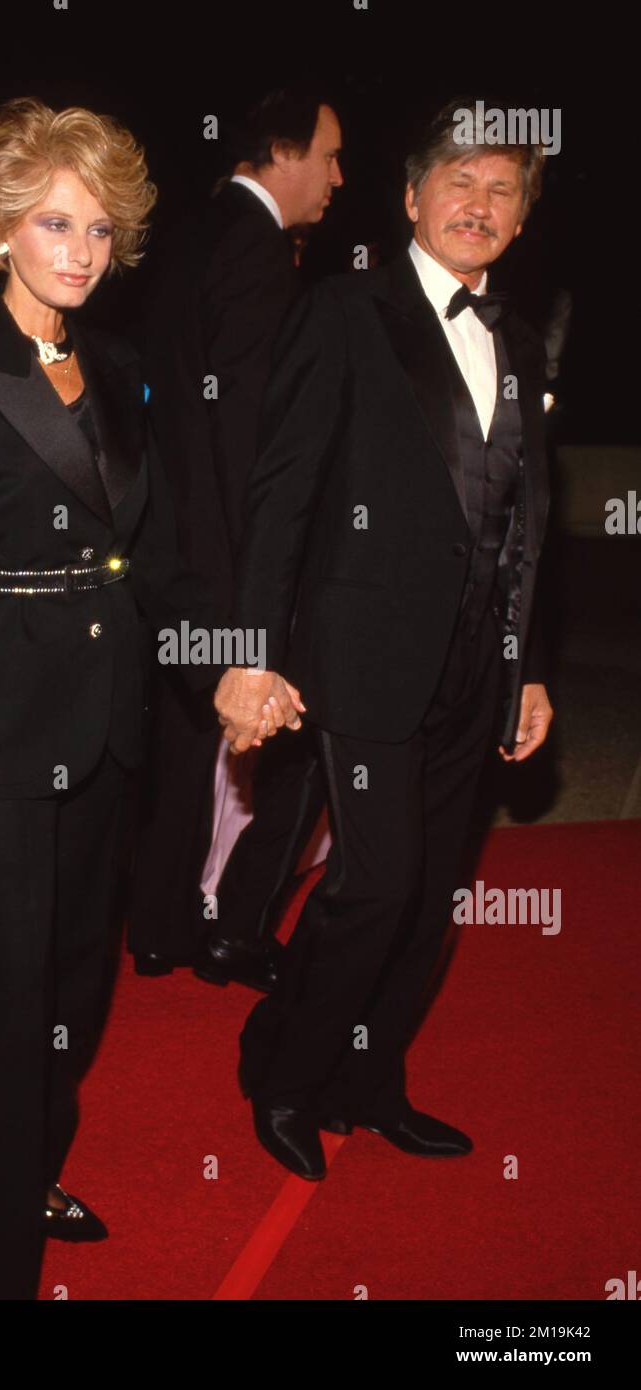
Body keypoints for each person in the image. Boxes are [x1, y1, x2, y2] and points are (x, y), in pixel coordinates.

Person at [0, 96, 199, 1298]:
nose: (78, 249)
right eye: (53, 222)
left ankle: (35, 1163)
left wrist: (225, 661)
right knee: (6, 1001)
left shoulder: (113, 365)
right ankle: (0, 1264)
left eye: (101, 230)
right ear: (1, 226)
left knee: (77, 981)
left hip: (107, 720)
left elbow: (146, 549)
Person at [214, 98, 554, 1179]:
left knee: (430, 899)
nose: (479, 203)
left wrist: (529, 667)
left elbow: (520, 521)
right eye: (459, 180)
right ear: (411, 198)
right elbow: (281, 494)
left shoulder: (517, 332)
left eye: (503, 190)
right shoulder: (344, 312)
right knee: (376, 883)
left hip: (474, 672)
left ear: (520, 218)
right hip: (362, 658)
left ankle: (371, 1080)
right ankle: (282, 1066)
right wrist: (251, 648)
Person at [129, 84, 343, 989]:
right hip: (226, 556)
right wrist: (262, 589)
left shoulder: (187, 234)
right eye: (329, 156)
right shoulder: (258, 254)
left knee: (179, 743)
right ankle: (222, 927)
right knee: (291, 733)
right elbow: (254, 442)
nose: (338, 177)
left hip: (162, 548)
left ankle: (159, 925)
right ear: (281, 154)